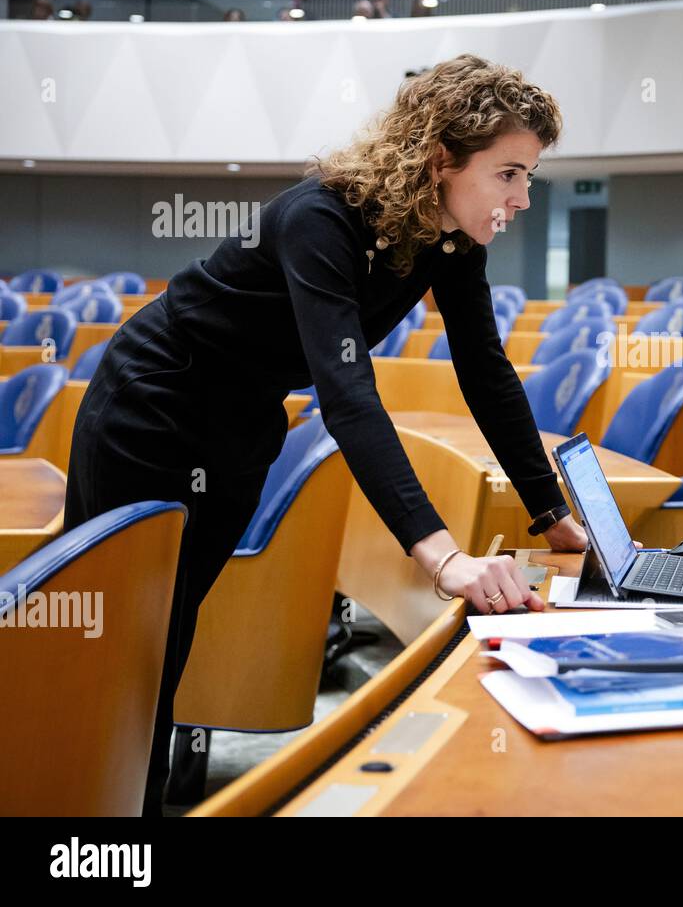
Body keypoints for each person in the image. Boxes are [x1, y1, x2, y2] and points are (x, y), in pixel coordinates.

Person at [63, 54, 587, 814]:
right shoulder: (322, 217)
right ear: (443, 158)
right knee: (123, 642)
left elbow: (485, 371)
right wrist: (441, 558)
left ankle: (128, 814)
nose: (524, 198)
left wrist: (552, 514)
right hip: (151, 406)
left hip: (240, 426)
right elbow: (348, 397)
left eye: (528, 178)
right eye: (509, 173)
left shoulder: (449, 240)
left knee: (168, 637)